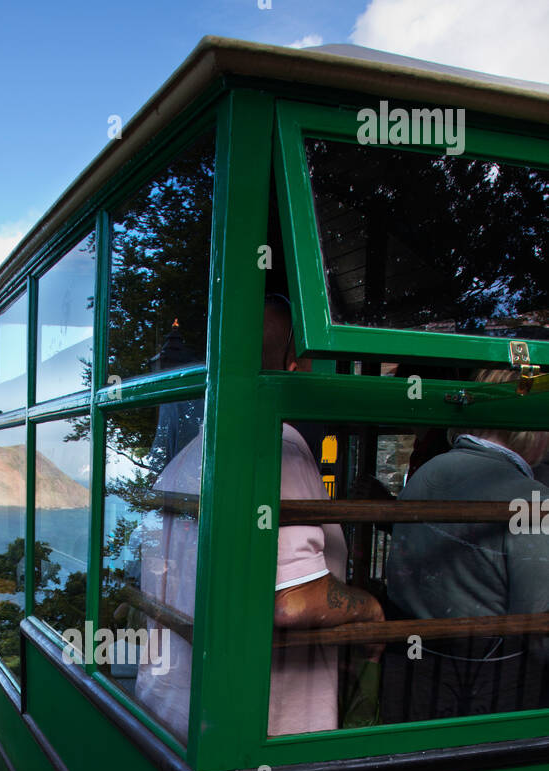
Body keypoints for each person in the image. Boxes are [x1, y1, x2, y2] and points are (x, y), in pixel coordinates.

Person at [132, 296, 384, 742]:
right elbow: (293, 601)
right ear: (295, 364)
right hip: (258, 739)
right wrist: (369, 609)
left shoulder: (184, 461)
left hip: (168, 719)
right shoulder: (279, 451)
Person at [383, 370, 549, 721]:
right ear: (532, 428)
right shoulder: (532, 498)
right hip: (489, 694)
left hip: (411, 678)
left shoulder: (427, 473)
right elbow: (539, 627)